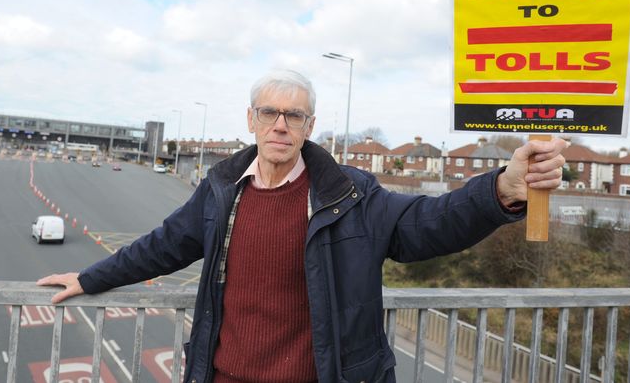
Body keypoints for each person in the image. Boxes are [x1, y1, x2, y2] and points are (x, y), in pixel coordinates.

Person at [37, 69, 568, 383]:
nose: (281, 125)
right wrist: (89, 278)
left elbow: (430, 222)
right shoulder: (221, 190)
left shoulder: (351, 195)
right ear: (250, 120)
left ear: (311, 127)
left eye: (295, 116)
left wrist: (501, 189)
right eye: (270, 113)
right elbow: (163, 245)